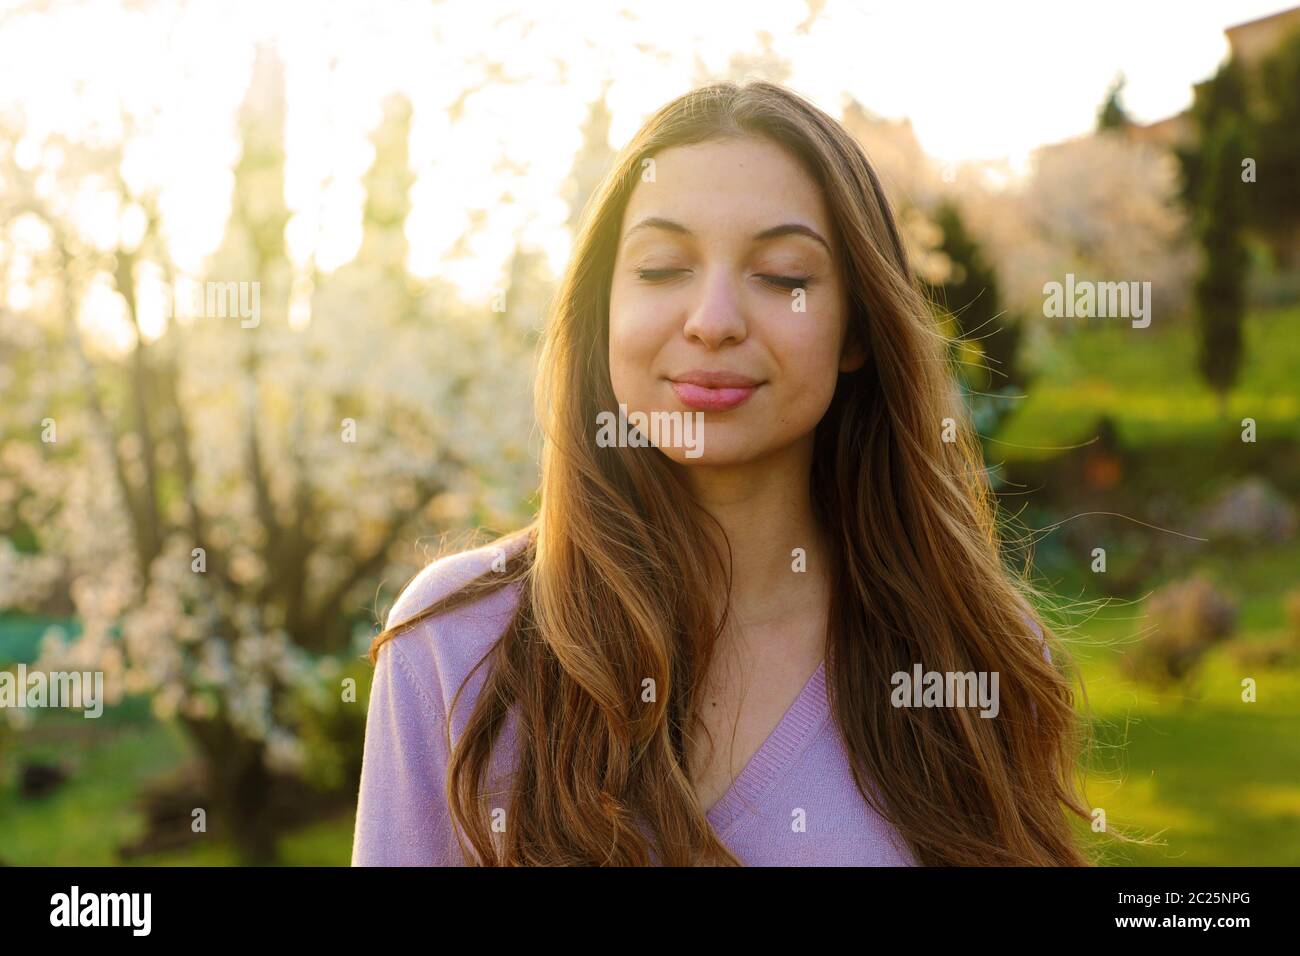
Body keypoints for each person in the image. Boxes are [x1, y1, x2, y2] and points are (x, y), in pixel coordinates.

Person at [352, 81, 1088, 866]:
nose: (712, 320)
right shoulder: (454, 645)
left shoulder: (978, 660)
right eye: (663, 267)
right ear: (602, 311)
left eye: (783, 277)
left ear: (856, 330)